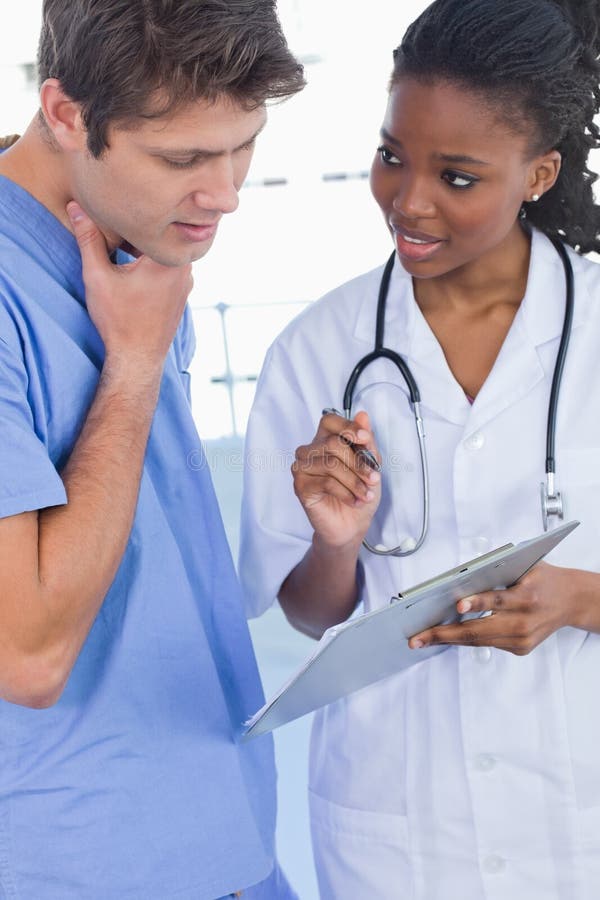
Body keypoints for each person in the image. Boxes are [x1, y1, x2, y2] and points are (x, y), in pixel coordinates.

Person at [239, 1, 600, 897]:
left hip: (579, 809)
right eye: (393, 155)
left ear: (538, 173)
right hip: (400, 824)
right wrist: (335, 539)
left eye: (459, 176)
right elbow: (312, 618)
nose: (409, 199)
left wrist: (579, 599)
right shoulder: (320, 349)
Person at [0, 1, 304, 898]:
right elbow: (28, 654)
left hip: (229, 842)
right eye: (182, 160)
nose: (225, 193)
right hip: (85, 867)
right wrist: (131, 365)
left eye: (243, 145)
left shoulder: (134, 247)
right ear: (64, 114)